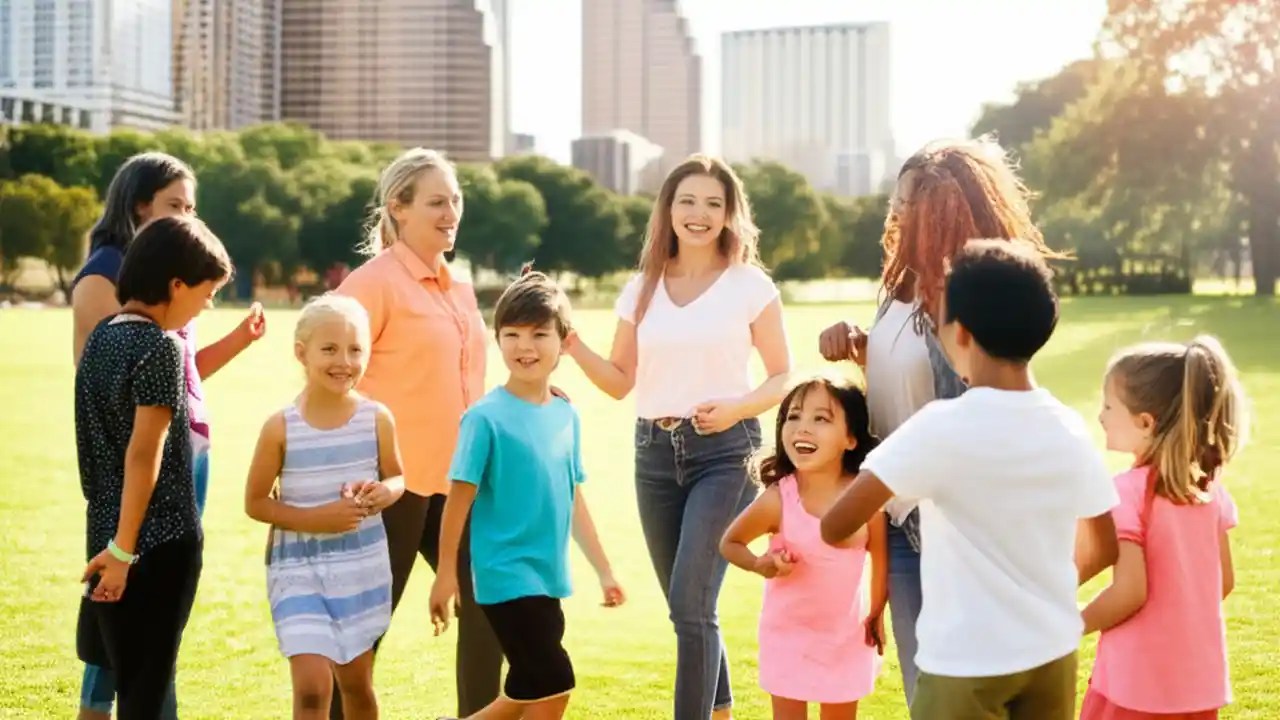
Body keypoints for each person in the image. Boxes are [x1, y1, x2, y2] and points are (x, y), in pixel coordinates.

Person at [819, 240, 1119, 720]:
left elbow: (835, 525)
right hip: (1051, 651)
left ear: (958, 334)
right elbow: (1105, 548)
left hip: (964, 663)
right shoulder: (1068, 426)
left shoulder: (937, 428)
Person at [815, 137, 1055, 705]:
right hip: (896, 514)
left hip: (951, 524)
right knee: (925, 690)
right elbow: (907, 375)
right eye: (895, 200)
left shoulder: (968, 299)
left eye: (908, 202)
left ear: (945, 208)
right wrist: (862, 346)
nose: (895, 213)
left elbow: (979, 405)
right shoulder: (902, 282)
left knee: (958, 690)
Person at [566, 154, 791, 720]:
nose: (699, 214)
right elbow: (620, 382)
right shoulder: (642, 288)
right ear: (667, 209)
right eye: (687, 201)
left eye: (713, 203)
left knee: (692, 608)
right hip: (653, 455)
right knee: (685, 608)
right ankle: (720, 711)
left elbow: (784, 375)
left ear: (729, 214)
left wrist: (736, 406)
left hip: (726, 452)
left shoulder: (749, 285)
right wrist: (570, 342)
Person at [71, 151, 266, 720]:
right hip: (156, 540)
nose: (207, 304)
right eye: (205, 293)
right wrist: (127, 549)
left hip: (106, 526)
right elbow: (143, 453)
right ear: (176, 283)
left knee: (127, 669)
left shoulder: (105, 339)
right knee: (149, 685)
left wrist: (113, 542)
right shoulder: (160, 347)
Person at [335, 148, 501, 717]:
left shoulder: (459, 288)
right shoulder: (371, 284)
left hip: (460, 482)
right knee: (364, 635)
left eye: (455, 199)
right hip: (391, 485)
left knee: (492, 606)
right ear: (398, 209)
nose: (451, 211)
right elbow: (329, 374)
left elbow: (468, 382)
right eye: (436, 201)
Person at [430, 268, 625, 720]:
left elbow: (573, 498)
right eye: (512, 334)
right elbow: (457, 502)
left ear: (564, 340)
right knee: (553, 681)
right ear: (497, 339)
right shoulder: (485, 418)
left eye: (539, 334)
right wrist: (445, 574)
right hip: (504, 574)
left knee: (535, 691)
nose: (524, 346)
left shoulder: (565, 414)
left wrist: (605, 570)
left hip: (548, 575)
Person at [245, 294, 407, 720]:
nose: (344, 361)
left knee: (357, 686)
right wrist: (316, 519)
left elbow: (398, 478)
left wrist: (382, 493)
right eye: (330, 349)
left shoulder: (377, 418)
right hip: (298, 569)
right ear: (302, 353)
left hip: (360, 569)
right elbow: (255, 502)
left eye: (356, 350)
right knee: (314, 688)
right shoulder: (280, 427)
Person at [1080, 336, 1248, 720]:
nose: (1100, 415)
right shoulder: (1208, 490)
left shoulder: (1127, 491)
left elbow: (1130, 591)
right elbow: (1223, 581)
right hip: (1198, 686)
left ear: (1144, 423)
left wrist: (1071, 625)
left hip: (1135, 685)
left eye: (1108, 405)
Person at [720, 374, 887, 720]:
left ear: (851, 438)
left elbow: (881, 559)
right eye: (793, 417)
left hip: (845, 636)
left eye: (820, 418)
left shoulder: (864, 494)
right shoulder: (779, 498)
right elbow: (730, 543)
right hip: (788, 637)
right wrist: (760, 563)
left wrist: (876, 614)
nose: (802, 428)